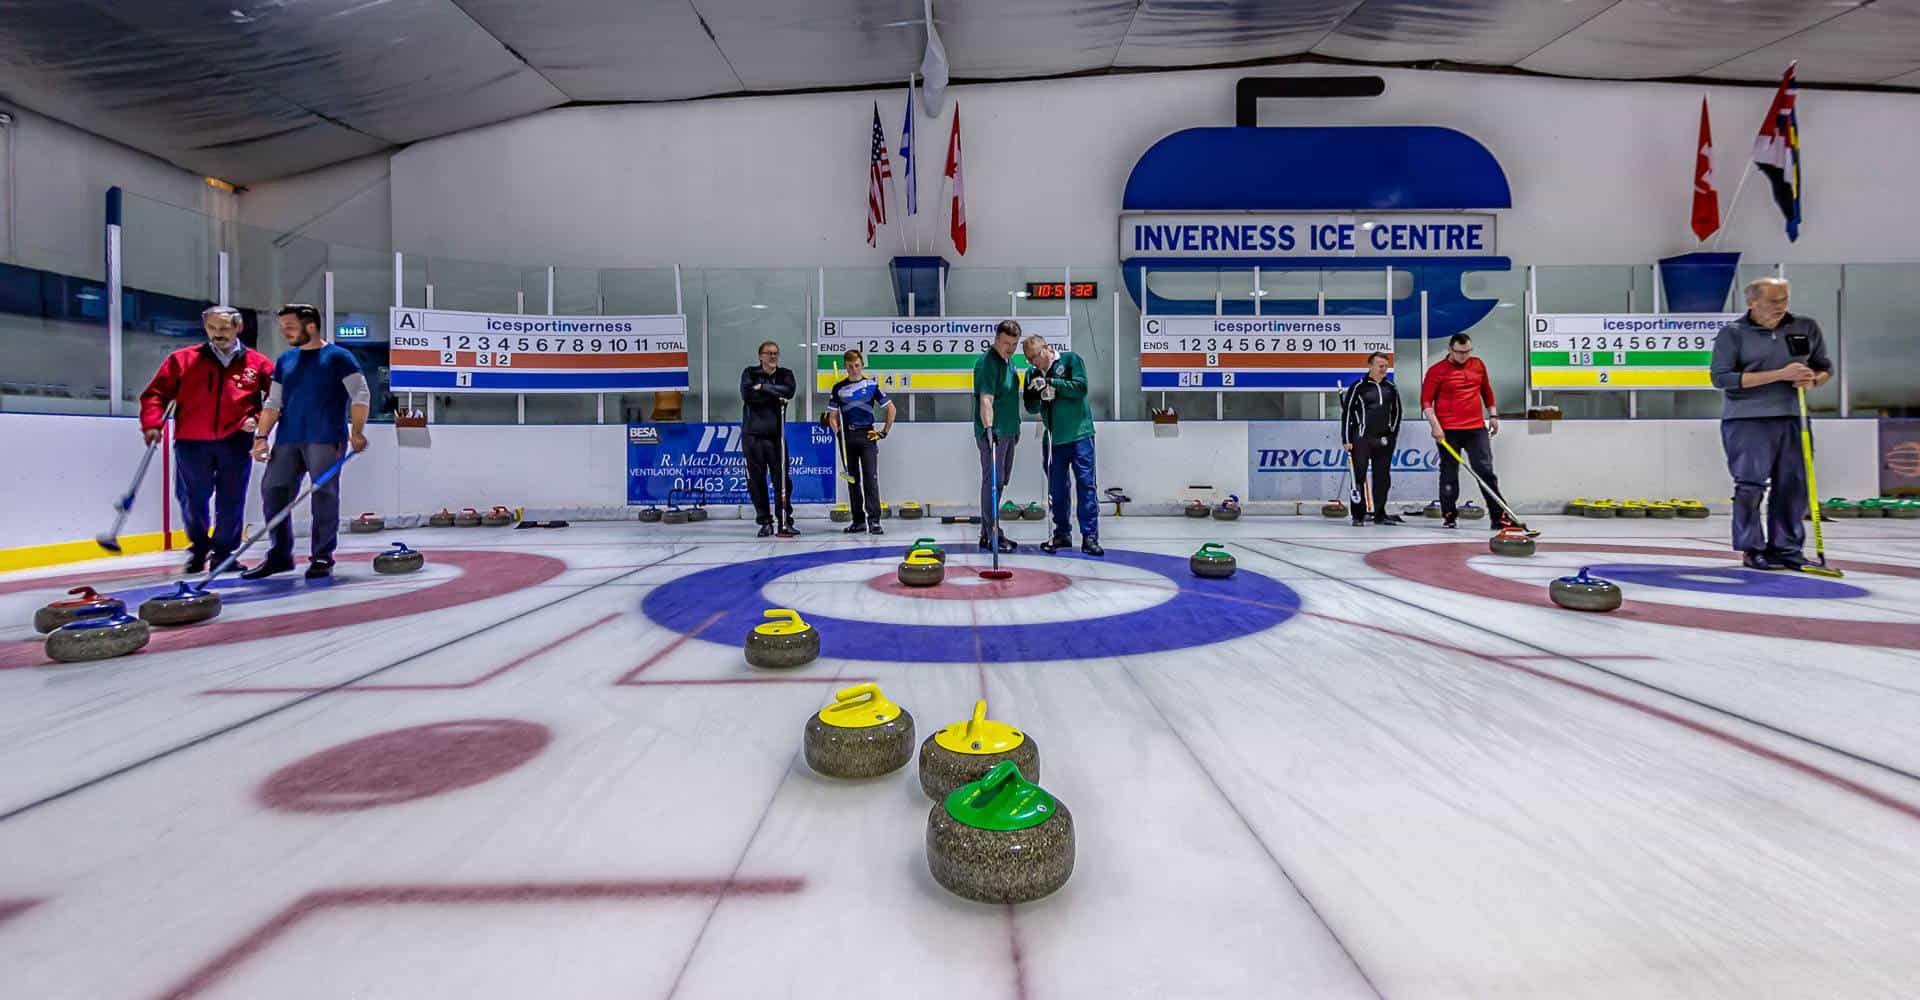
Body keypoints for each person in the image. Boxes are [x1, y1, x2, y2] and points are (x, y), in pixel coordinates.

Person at [138, 306, 275, 574]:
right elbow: (155, 394)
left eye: (224, 328)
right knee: (192, 497)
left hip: (236, 441)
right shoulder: (183, 360)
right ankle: (199, 548)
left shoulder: (258, 364)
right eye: (212, 328)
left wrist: (257, 420)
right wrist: (152, 424)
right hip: (192, 441)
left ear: (238, 328)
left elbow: (275, 399)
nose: (217, 334)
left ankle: (224, 553)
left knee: (231, 499)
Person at [1709, 277, 1833, 570]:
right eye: (1773, 301)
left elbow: (1824, 366)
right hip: (1747, 419)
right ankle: (1752, 548)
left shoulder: (1805, 327)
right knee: (1750, 485)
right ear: (1752, 302)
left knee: (1794, 484)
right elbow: (1722, 378)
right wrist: (1780, 374)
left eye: (1784, 300)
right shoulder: (1733, 334)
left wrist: (1814, 380)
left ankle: (1787, 548)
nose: (1781, 306)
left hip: (1793, 416)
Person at [244, 304, 370, 579]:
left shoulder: (338, 357)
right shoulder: (286, 361)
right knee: (273, 491)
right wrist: (262, 437)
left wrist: (357, 431)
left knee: (324, 496)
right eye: (283, 328)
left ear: (310, 326)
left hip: (326, 438)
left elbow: (360, 394)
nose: (285, 332)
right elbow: (273, 402)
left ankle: (322, 556)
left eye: (290, 327)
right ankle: (279, 555)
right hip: (288, 438)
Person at [1421, 333, 1515, 531]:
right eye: (1460, 352)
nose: (1464, 356)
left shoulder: (1478, 364)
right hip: (1448, 431)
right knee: (1449, 473)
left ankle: (1499, 516)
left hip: (1475, 429)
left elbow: (1486, 390)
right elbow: (1426, 402)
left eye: (1467, 351)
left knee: (1485, 471)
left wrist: (1493, 415)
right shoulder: (1436, 371)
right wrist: (1435, 426)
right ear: (1450, 350)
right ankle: (1449, 515)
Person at [1021, 334, 1102, 556]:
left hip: (1079, 435)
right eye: (1028, 359)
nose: (1033, 362)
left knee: (1086, 485)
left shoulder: (1070, 361)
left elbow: (1080, 388)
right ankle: (1061, 533)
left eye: (1035, 356)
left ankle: (1090, 536)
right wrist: (1037, 394)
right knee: (1057, 488)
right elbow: (1029, 406)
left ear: (1046, 349)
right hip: (1054, 437)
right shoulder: (1032, 373)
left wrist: (1052, 383)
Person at [826, 349, 895, 535]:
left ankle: (874, 521)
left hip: (867, 436)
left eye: (856, 365)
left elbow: (891, 408)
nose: (854, 369)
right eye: (850, 366)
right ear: (845, 367)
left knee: (870, 480)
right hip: (846, 437)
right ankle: (858, 521)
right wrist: (836, 429)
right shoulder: (838, 388)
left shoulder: (872, 385)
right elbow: (832, 416)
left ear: (862, 365)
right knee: (852, 480)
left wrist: (883, 433)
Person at [972, 320, 1023, 553]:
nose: (1010, 348)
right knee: (992, 482)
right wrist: (990, 428)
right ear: (996, 339)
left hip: (1010, 431)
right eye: (1006, 343)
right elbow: (986, 399)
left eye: (1014, 344)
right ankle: (991, 533)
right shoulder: (987, 363)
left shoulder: (1009, 362)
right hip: (995, 433)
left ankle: (988, 532)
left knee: (1001, 481)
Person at [741, 340, 798, 538]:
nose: (773, 356)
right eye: (768, 353)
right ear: (760, 356)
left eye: (775, 353)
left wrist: (762, 387)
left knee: (782, 481)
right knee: (757, 481)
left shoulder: (786, 374)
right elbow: (748, 396)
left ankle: (784, 520)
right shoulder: (749, 373)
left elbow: (789, 391)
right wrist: (773, 392)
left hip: (776, 436)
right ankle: (765, 522)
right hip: (752, 436)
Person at [1340, 351, 1404, 526]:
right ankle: (1358, 515)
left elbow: (1397, 413)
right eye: (1380, 366)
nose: (1384, 369)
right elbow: (1347, 414)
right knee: (1358, 477)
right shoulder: (1358, 387)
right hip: (1361, 439)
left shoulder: (1391, 387)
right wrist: (1346, 439)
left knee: (1382, 477)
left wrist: (1392, 435)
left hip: (1383, 440)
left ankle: (1380, 514)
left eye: (1386, 366)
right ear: (1370, 366)